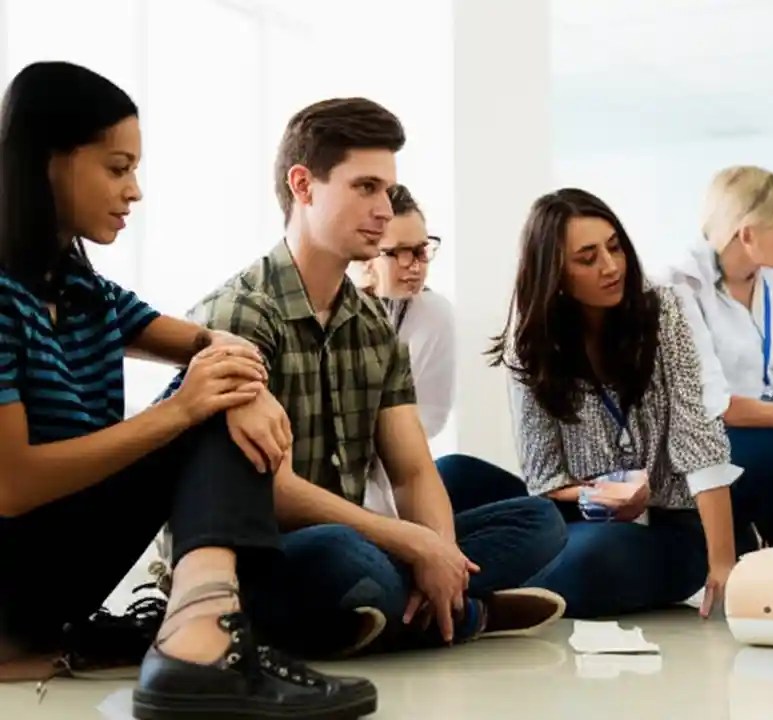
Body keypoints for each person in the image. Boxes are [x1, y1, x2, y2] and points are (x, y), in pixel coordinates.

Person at [0, 62, 375, 719]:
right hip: (16, 569)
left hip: (60, 571)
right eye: (117, 168)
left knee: (218, 386)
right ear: (49, 160)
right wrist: (184, 409)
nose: (134, 190)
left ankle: (206, 624)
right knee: (203, 402)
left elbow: (218, 344)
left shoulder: (85, 292)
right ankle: (204, 633)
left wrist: (237, 377)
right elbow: (12, 484)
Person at [177, 97, 567, 658]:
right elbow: (274, 493)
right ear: (304, 185)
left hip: (359, 540)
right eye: (365, 187)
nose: (384, 208)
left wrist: (440, 556)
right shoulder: (239, 314)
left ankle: (417, 607)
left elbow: (411, 472)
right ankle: (462, 614)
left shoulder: (372, 327)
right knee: (342, 556)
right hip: (270, 551)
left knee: (541, 521)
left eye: (387, 190)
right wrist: (409, 542)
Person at [488, 188, 740, 619]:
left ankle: (475, 598)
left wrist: (722, 563)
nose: (611, 267)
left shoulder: (665, 311)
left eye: (615, 247)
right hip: (581, 514)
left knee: (596, 555)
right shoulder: (532, 343)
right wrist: (605, 494)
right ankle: (461, 584)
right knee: (455, 473)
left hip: (669, 524)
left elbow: (701, 446)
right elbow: (543, 477)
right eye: (587, 259)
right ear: (555, 275)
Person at [664, 166, 773, 552]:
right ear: (748, 233)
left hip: (761, 426)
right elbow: (716, 407)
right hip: (703, 440)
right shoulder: (678, 285)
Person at [356, 183, 529, 515]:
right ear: (365, 255)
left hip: (399, 471)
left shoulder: (432, 314)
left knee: (527, 508)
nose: (416, 264)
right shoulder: (331, 311)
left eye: (422, 250)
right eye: (399, 252)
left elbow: (428, 419)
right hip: (344, 492)